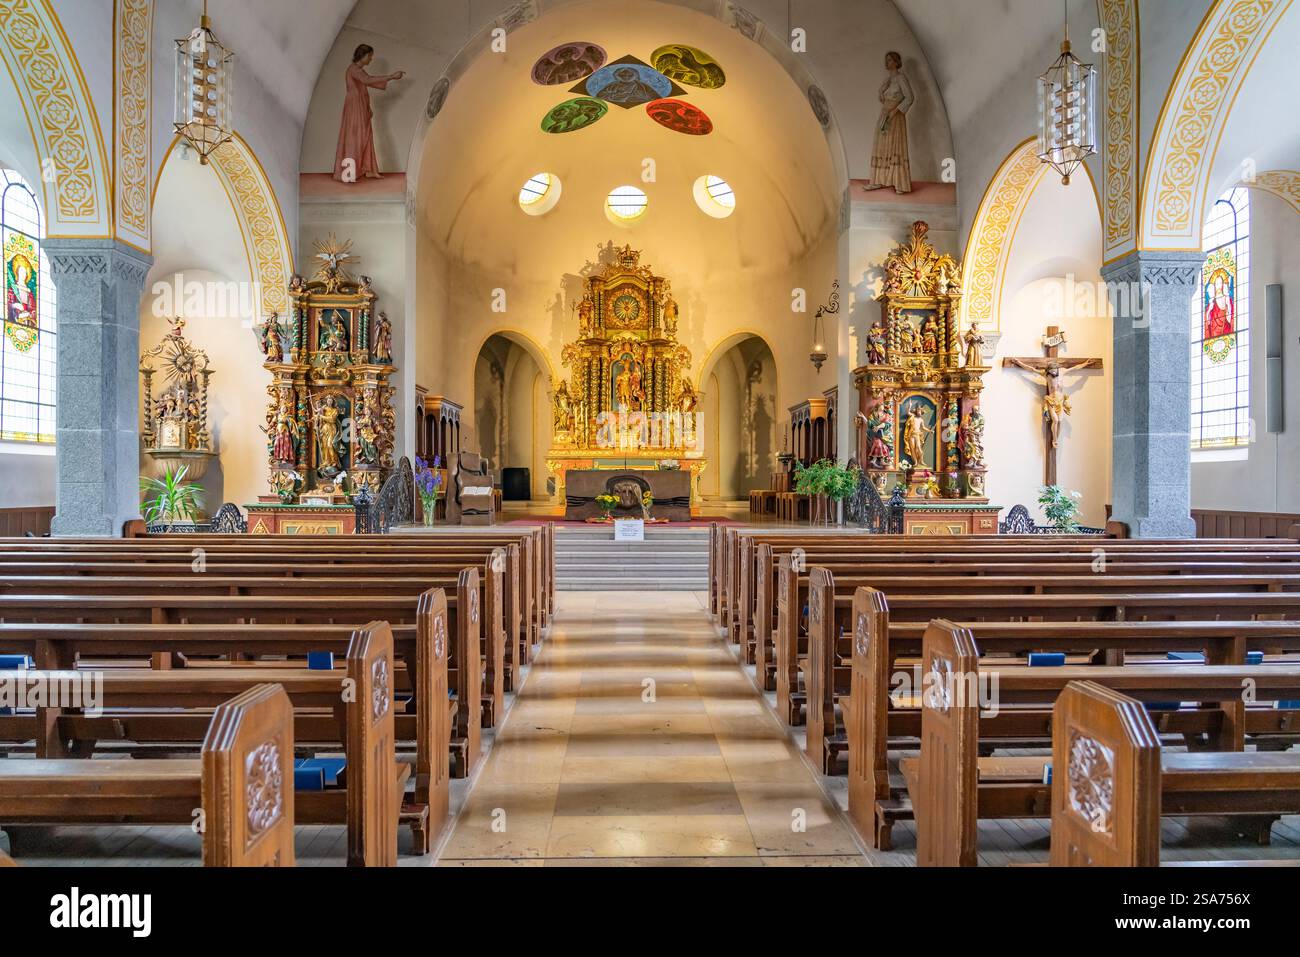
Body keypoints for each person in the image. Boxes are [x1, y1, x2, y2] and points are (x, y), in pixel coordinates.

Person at [332, 44, 405, 182]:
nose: (371, 59)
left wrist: (367, 107)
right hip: (354, 107)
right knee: (355, 137)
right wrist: (391, 76)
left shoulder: (358, 70)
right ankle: (349, 172)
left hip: (360, 105)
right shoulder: (353, 70)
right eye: (369, 56)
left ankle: (369, 169)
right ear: (363, 56)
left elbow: (366, 84)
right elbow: (367, 80)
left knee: (366, 136)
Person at [864, 52, 914, 194]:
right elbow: (884, 98)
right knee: (881, 145)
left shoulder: (901, 78)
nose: (888, 62)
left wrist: (896, 111)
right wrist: (881, 91)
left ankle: (900, 183)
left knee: (895, 146)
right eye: (887, 60)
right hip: (885, 114)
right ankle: (878, 180)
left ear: (897, 62)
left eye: (891, 60)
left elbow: (909, 97)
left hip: (895, 116)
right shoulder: (888, 80)